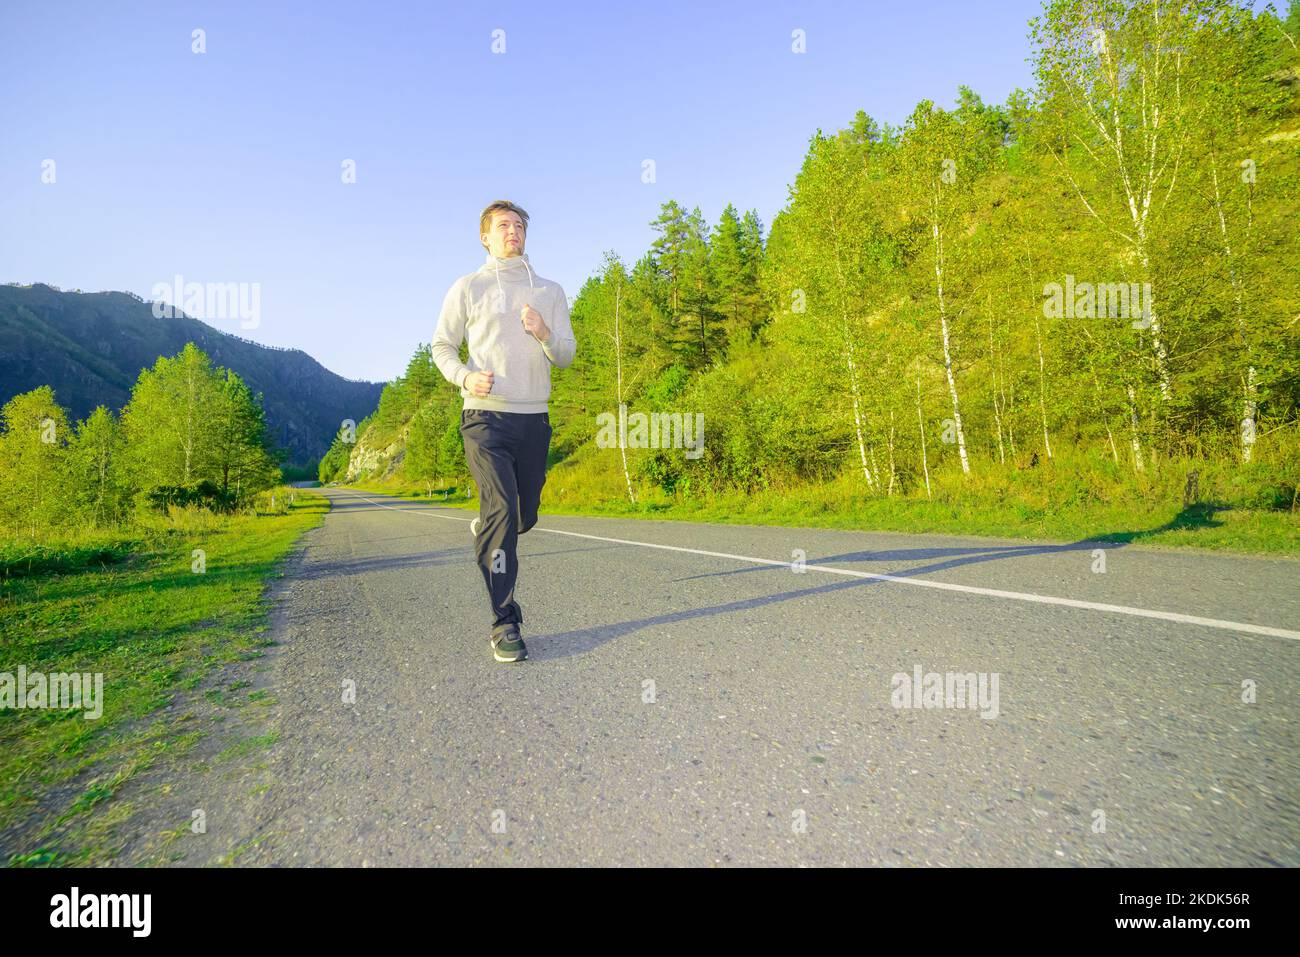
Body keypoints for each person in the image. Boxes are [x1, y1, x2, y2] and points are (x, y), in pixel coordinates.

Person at [430, 200, 576, 662]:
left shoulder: (549, 291)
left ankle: (496, 525)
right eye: (503, 226)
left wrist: (545, 333)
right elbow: (442, 345)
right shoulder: (468, 287)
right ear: (485, 237)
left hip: (533, 418)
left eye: (519, 225)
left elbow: (567, 355)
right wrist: (465, 377)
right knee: (501, 513)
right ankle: (504, 621)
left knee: (522, 517)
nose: (513, 231)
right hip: (485, 416)